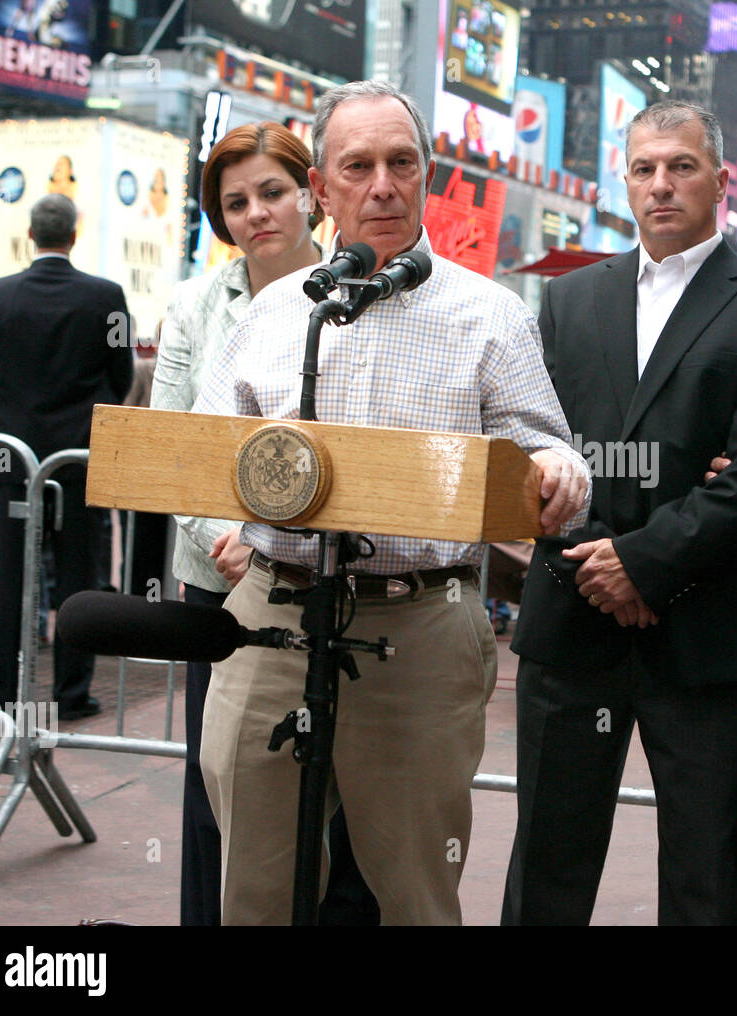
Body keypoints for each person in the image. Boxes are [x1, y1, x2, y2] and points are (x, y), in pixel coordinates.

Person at [192, 80, 589, 925]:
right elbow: (206, 448)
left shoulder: (491, 315)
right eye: (358, 166)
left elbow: (549, 446)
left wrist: (560, 478)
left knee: (416, 892)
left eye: (401, 163)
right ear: (323, 190)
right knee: (252, 892)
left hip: (421, 629)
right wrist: (227, 524)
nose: (382, 184)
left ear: (426, 174)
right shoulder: (271, 314)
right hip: (270, 615)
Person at [502, 100, 737, 926]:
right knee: (546, 859)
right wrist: (607, 563)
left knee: (708, 873)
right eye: (643, 168)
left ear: (724, 180)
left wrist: (644, 565)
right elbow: (539, 446)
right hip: (573, 616)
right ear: (625, 182)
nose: (661, 185)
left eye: (681, 166)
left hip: (704, 629)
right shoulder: (569, 301)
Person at [150, 120, 380, 927]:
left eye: (272, 192)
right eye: (235, 201)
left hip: (332, 581)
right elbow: (173, 436)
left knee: (343, 781)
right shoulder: (193, 303)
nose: (257, 213)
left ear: (311, 193)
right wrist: (226, 530)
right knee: (224, 775)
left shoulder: (362, 289)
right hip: (217, 577)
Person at [0, 193, 132, 718]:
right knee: (79, 577)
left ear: (31, 236)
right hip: (79, 458)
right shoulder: (106, 295)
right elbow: (121, 373)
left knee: (8, 573)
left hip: (12, 459)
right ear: (73, 234)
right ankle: (72, 694)